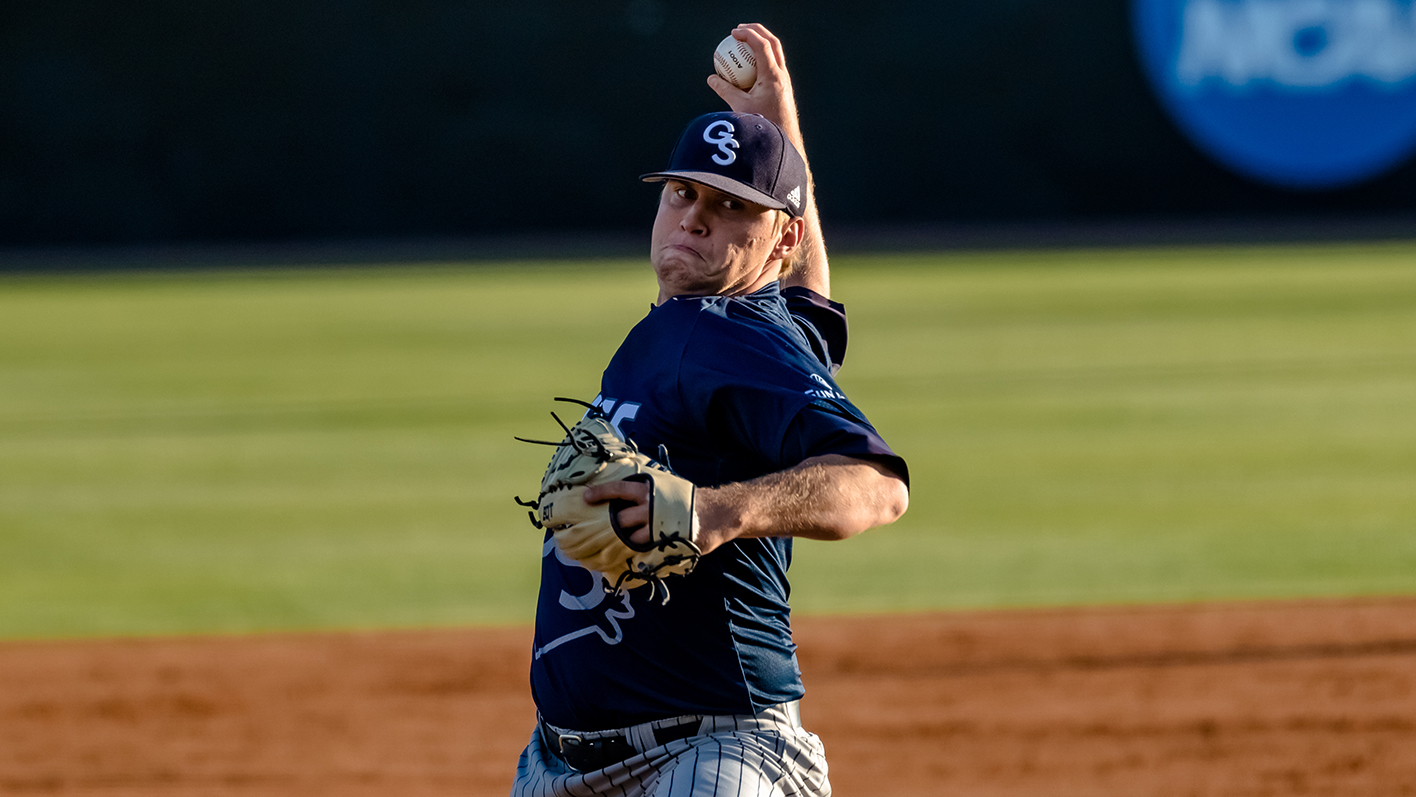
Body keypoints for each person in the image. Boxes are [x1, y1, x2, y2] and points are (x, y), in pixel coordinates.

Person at [511, 23, 909, 797]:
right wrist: (778, 132)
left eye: (730, 206)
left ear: (778, 235)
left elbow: (875, 483)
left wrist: (711, 511)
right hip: (562, 765)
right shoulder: (724, 330)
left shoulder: (718, 336)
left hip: (710, 759)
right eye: (683, 192)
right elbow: (808, 303)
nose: (694, 216)